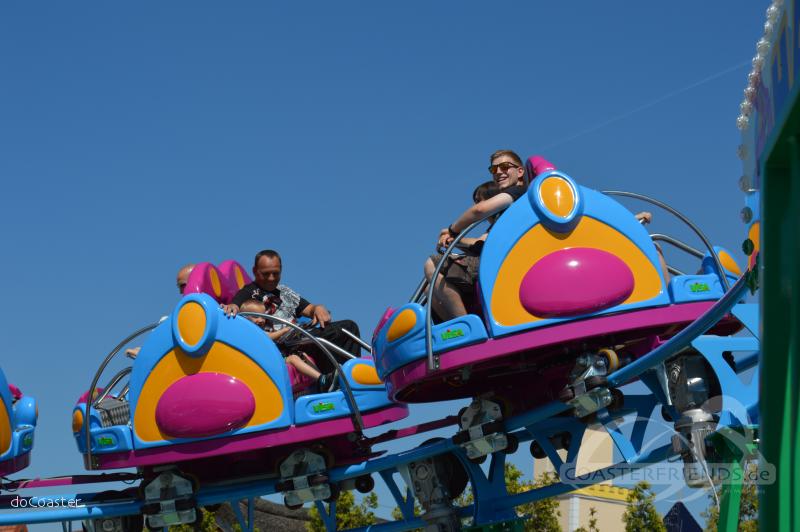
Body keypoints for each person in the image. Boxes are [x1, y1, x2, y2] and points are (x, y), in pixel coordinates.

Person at [424, 149, 529, 321]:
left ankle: (465, 325)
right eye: (494, 169)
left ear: (520, 171)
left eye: (504, 167)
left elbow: (479, 210)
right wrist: (454, 240)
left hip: (499, 264)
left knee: (431, 265)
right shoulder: (508, 212)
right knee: (430, 290)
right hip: (495, 261)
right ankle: (455, 332)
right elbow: (482, 241)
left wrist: (453, 229)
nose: (499, 172)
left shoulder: (517, 193)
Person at [223, 249, 362, 358]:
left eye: (275, 273)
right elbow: (235, 306)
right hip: (282, 343)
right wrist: (230, 307)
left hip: (299, 335)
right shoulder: (249, 292)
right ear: (255, 271)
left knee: (348, 327)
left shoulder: (285, 291)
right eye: (266, 274)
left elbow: (310, 309)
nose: (271, 278)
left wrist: (318, 308)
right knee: (339, 331)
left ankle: (347, 378)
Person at [239, 300, 335, 393]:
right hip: (264, 364)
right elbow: (268, 336)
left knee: (303, 355)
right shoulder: (249, 331)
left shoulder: (260, 330)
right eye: (255, 316)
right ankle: (322, 380)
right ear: (244, 318)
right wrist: (283, 331)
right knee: (293, 358)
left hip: (273, 360)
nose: (260, 320)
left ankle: (323, 380)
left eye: (263, 317)